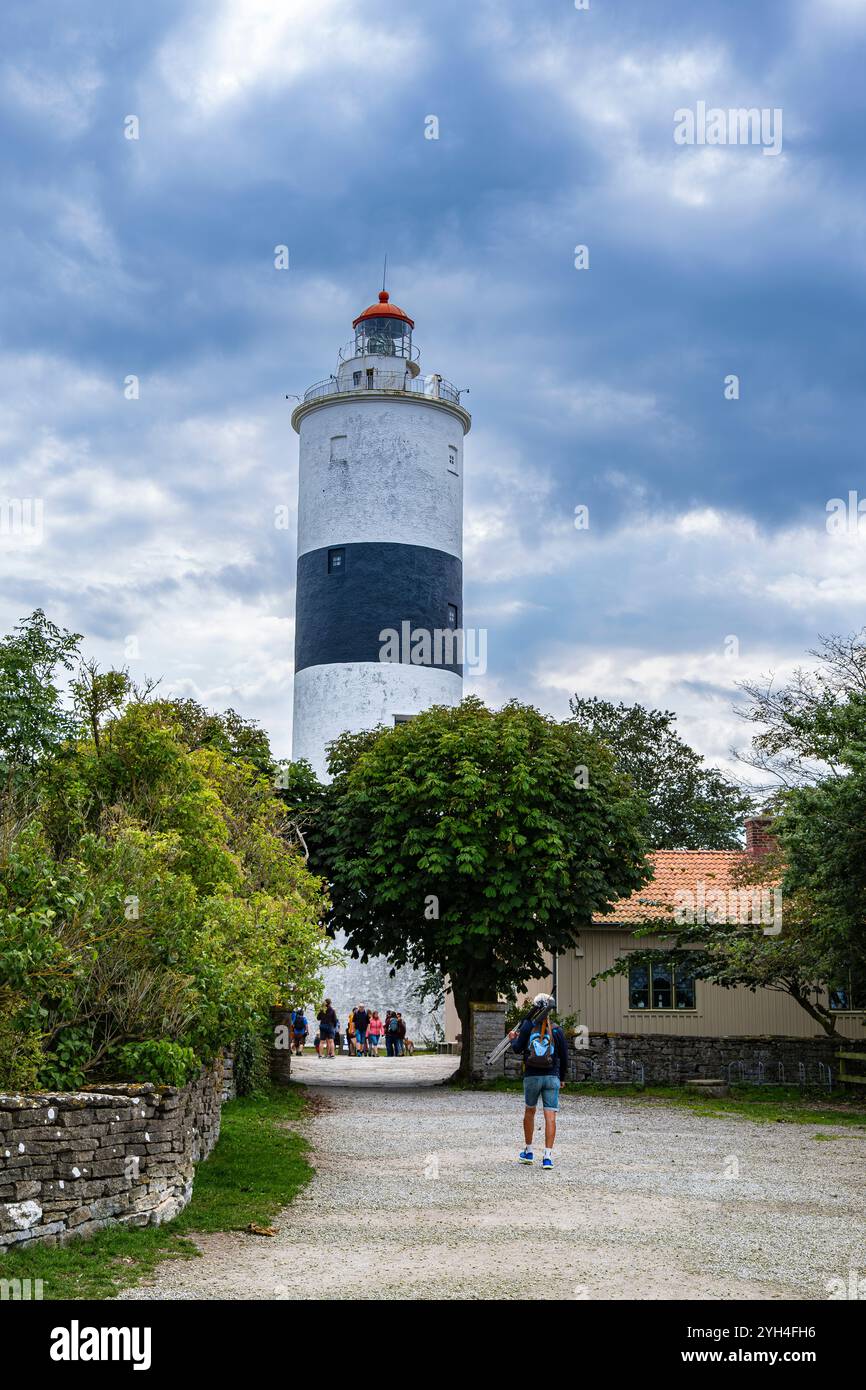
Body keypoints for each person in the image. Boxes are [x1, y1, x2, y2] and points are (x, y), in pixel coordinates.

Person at [509, 994, 569, 1170]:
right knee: (550, 1116)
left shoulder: (528, 1026)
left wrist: (513, 1038)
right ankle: (548, 1157)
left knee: (530, 1111)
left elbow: (518, 1049)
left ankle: (528, 1152)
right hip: (552, 1077)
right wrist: (562, 1077)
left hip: (532, 1076)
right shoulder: (557, 1030)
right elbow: (564, 1057)